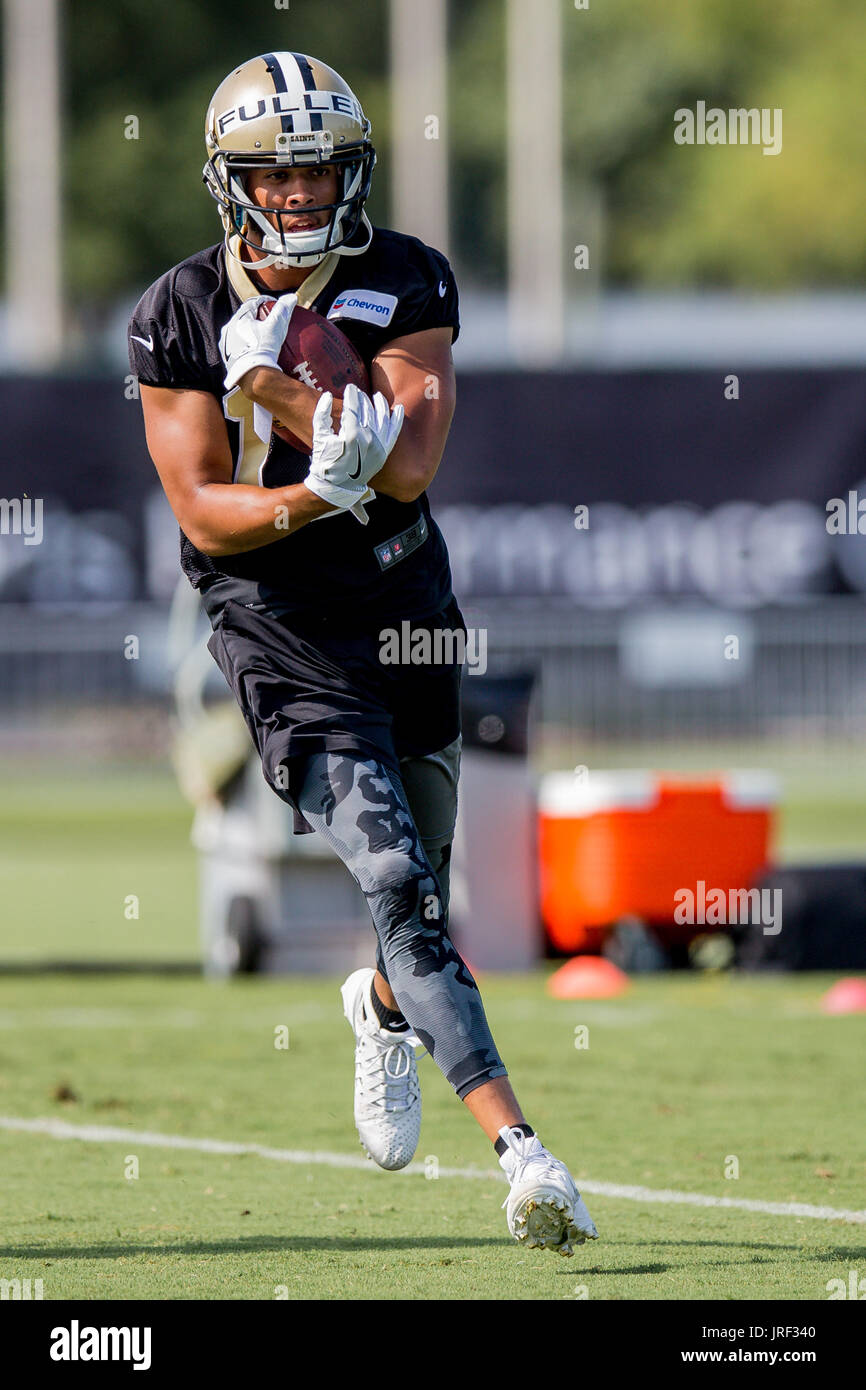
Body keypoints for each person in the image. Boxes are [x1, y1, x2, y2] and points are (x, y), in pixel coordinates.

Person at [129, 50, 598, 1256]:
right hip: (276, 629)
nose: (295, 192)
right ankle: (523, 1152)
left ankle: (382, 1007)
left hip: (402, 607)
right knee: (392, 881)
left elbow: (406, 469)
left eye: (316, 168)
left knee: (426, 899)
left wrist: (300, 410)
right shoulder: (176, 311)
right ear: (230, 183)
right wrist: (306, 498)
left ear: (353, 168)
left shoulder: (406, 276)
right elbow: (201, 512)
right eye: (271, 174)